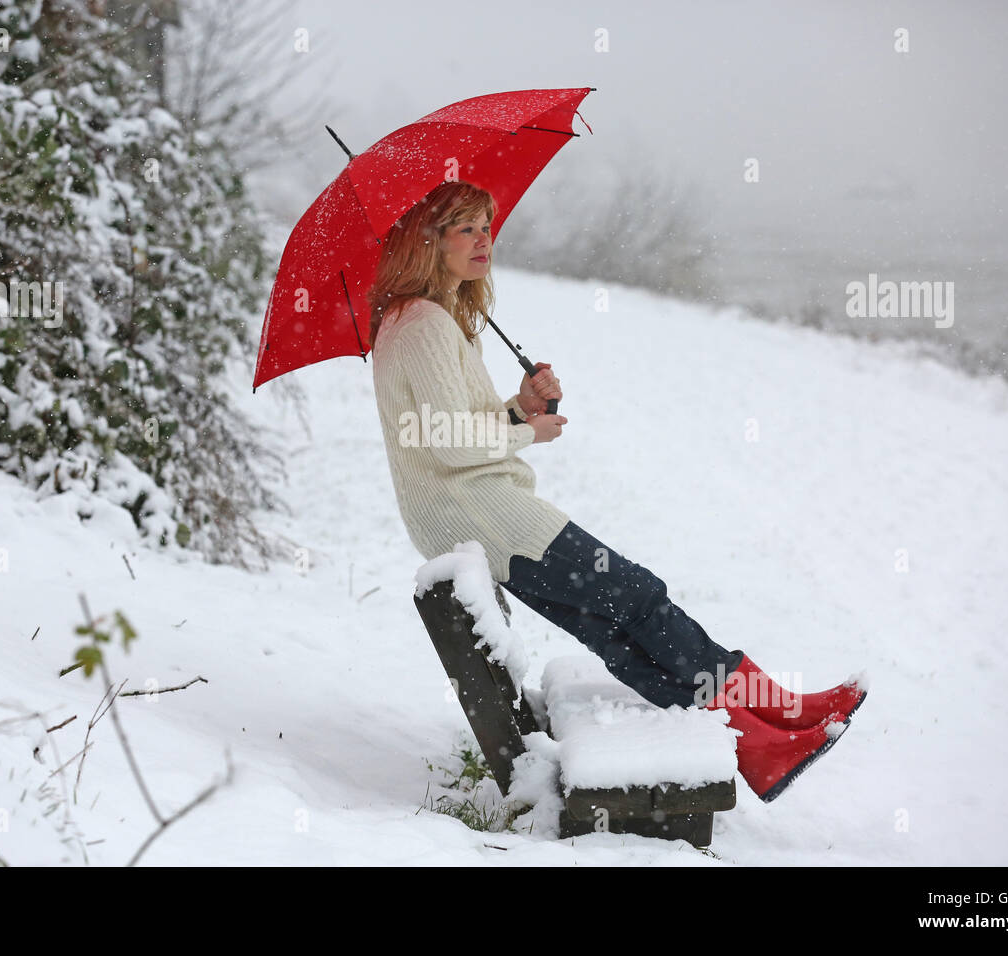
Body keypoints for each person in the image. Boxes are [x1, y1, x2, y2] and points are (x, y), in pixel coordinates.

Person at [367, 180, 865, 802]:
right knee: (639, 599)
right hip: (479, 508)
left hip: (466, 509)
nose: (482, 241)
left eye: (486, 227)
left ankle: (764, 740)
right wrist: (526, 425)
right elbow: (445, 440)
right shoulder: (422, 324)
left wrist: (516, 405)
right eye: (464, 229)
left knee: (619, 629)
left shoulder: (431, 320)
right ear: (427, 239)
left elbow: (450, 424)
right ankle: (775, 711)